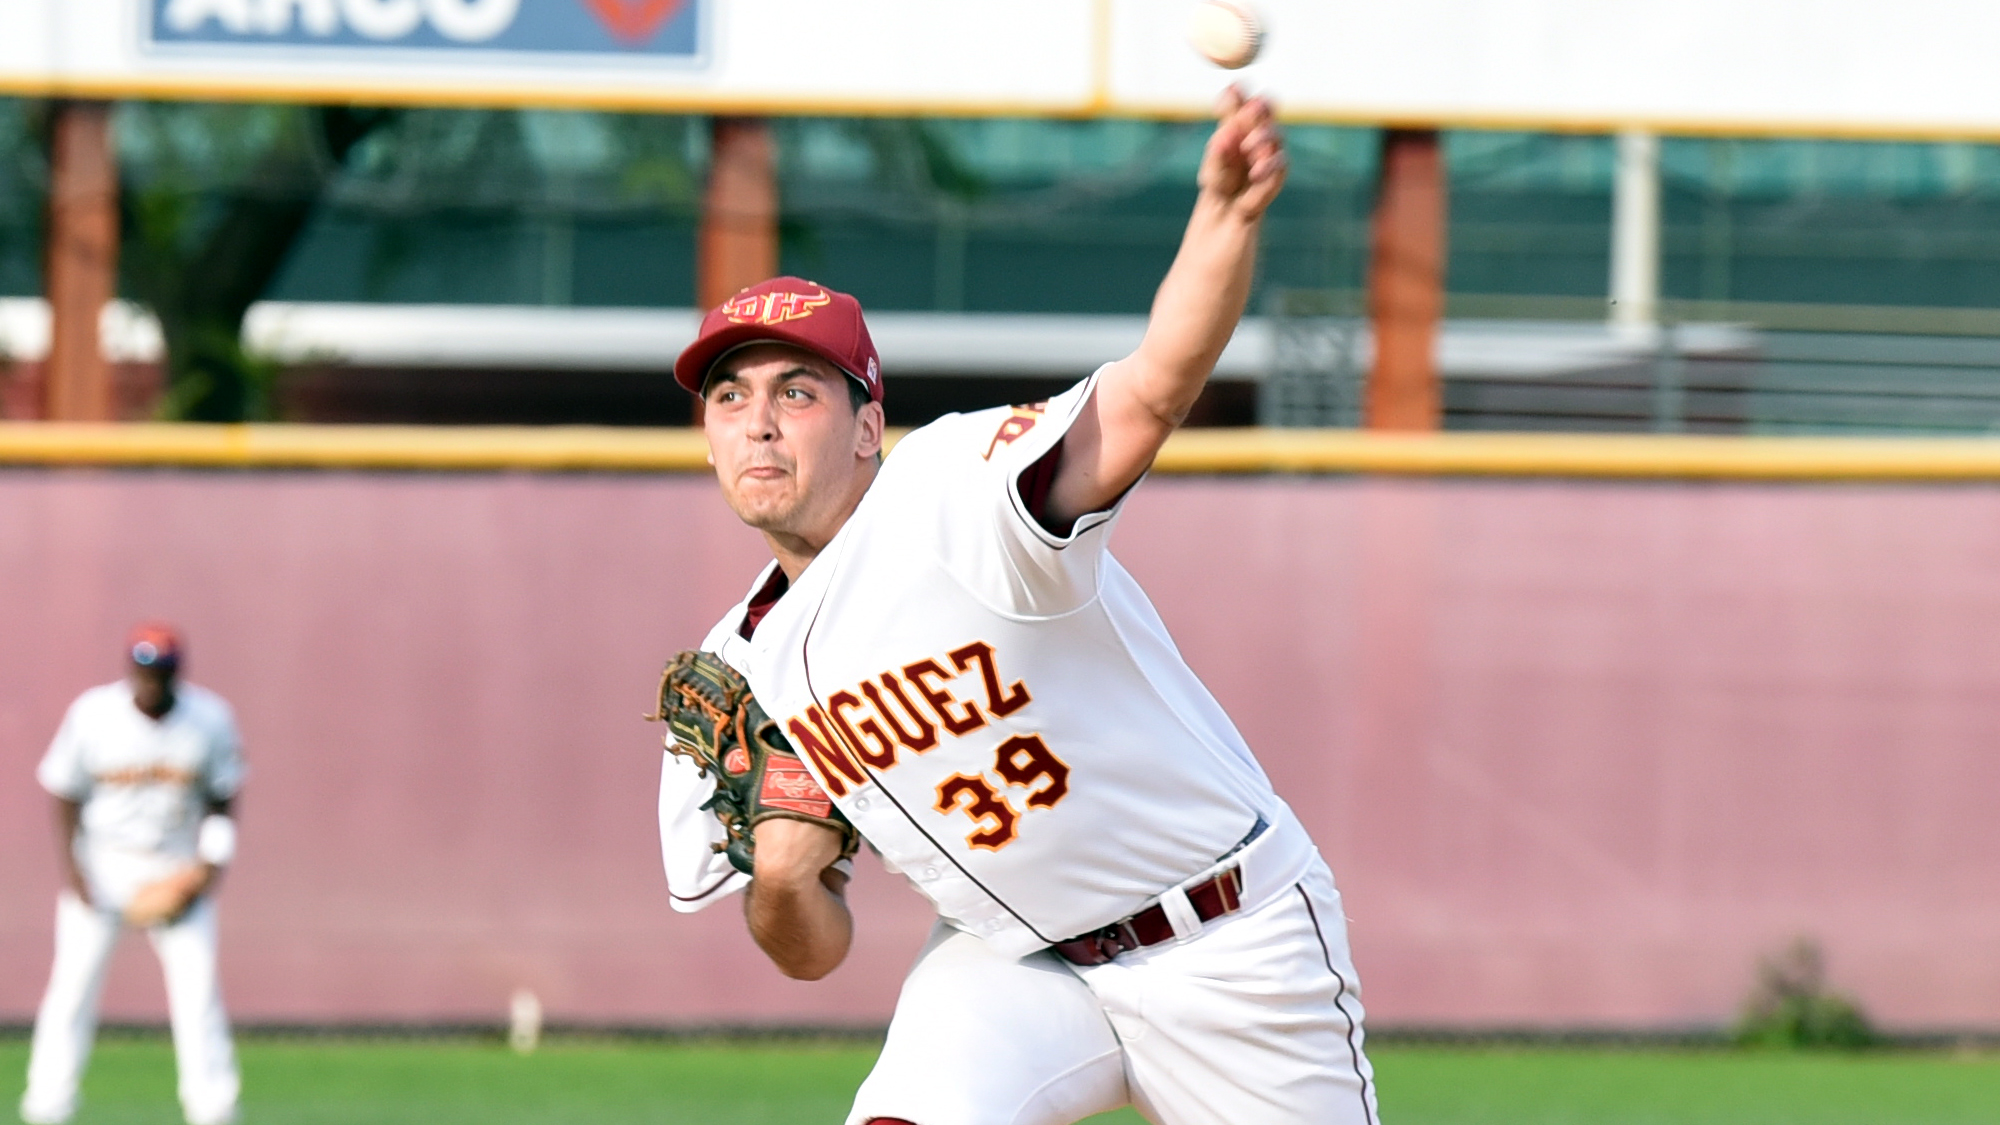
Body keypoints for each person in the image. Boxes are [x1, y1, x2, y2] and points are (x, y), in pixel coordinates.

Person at [657, 88, 1376, 1125]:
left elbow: (1150, 393)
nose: (757, 422)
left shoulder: (951, 492)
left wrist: (1222, 216)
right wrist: (779, 879)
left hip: (1227, 940)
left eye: (796, 391)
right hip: (1019, 965)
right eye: (729, 397)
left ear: (867, 427)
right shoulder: (736, 670)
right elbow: (812, 956)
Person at [21, 624, 245, 1125]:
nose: (151, 683)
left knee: (199, 992)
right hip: (104, 862)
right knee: (72, 989)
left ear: (176, 674)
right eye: (144, 671)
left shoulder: (208, 719)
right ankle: (47, 1105)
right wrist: (76, 875)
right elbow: (64, 793)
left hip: (175, 866)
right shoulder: (94, 715)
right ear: (128, 670)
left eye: (161, 673)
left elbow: (223, 798)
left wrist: (207, 871)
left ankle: (213, 1109)